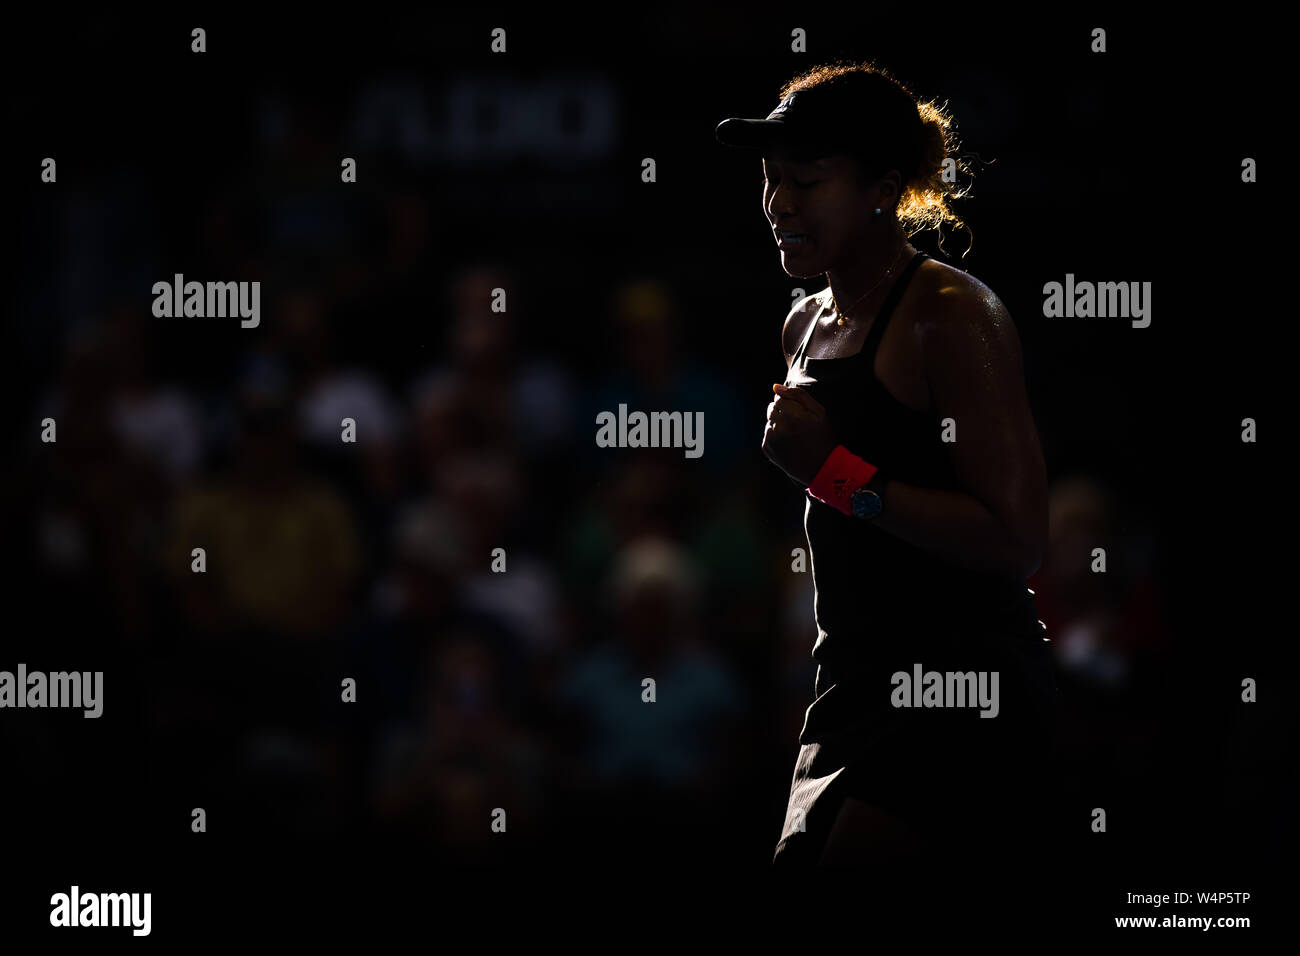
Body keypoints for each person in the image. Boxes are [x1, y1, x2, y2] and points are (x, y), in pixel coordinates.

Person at [716, 61, 1061, 873]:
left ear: (883, 188)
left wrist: (831, 472)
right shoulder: (803, 325)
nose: (778, 205)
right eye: (770, 180)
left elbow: (1017, 540)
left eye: (804, 180)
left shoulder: (949, 315)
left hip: (959, 691)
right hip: (850, 689)